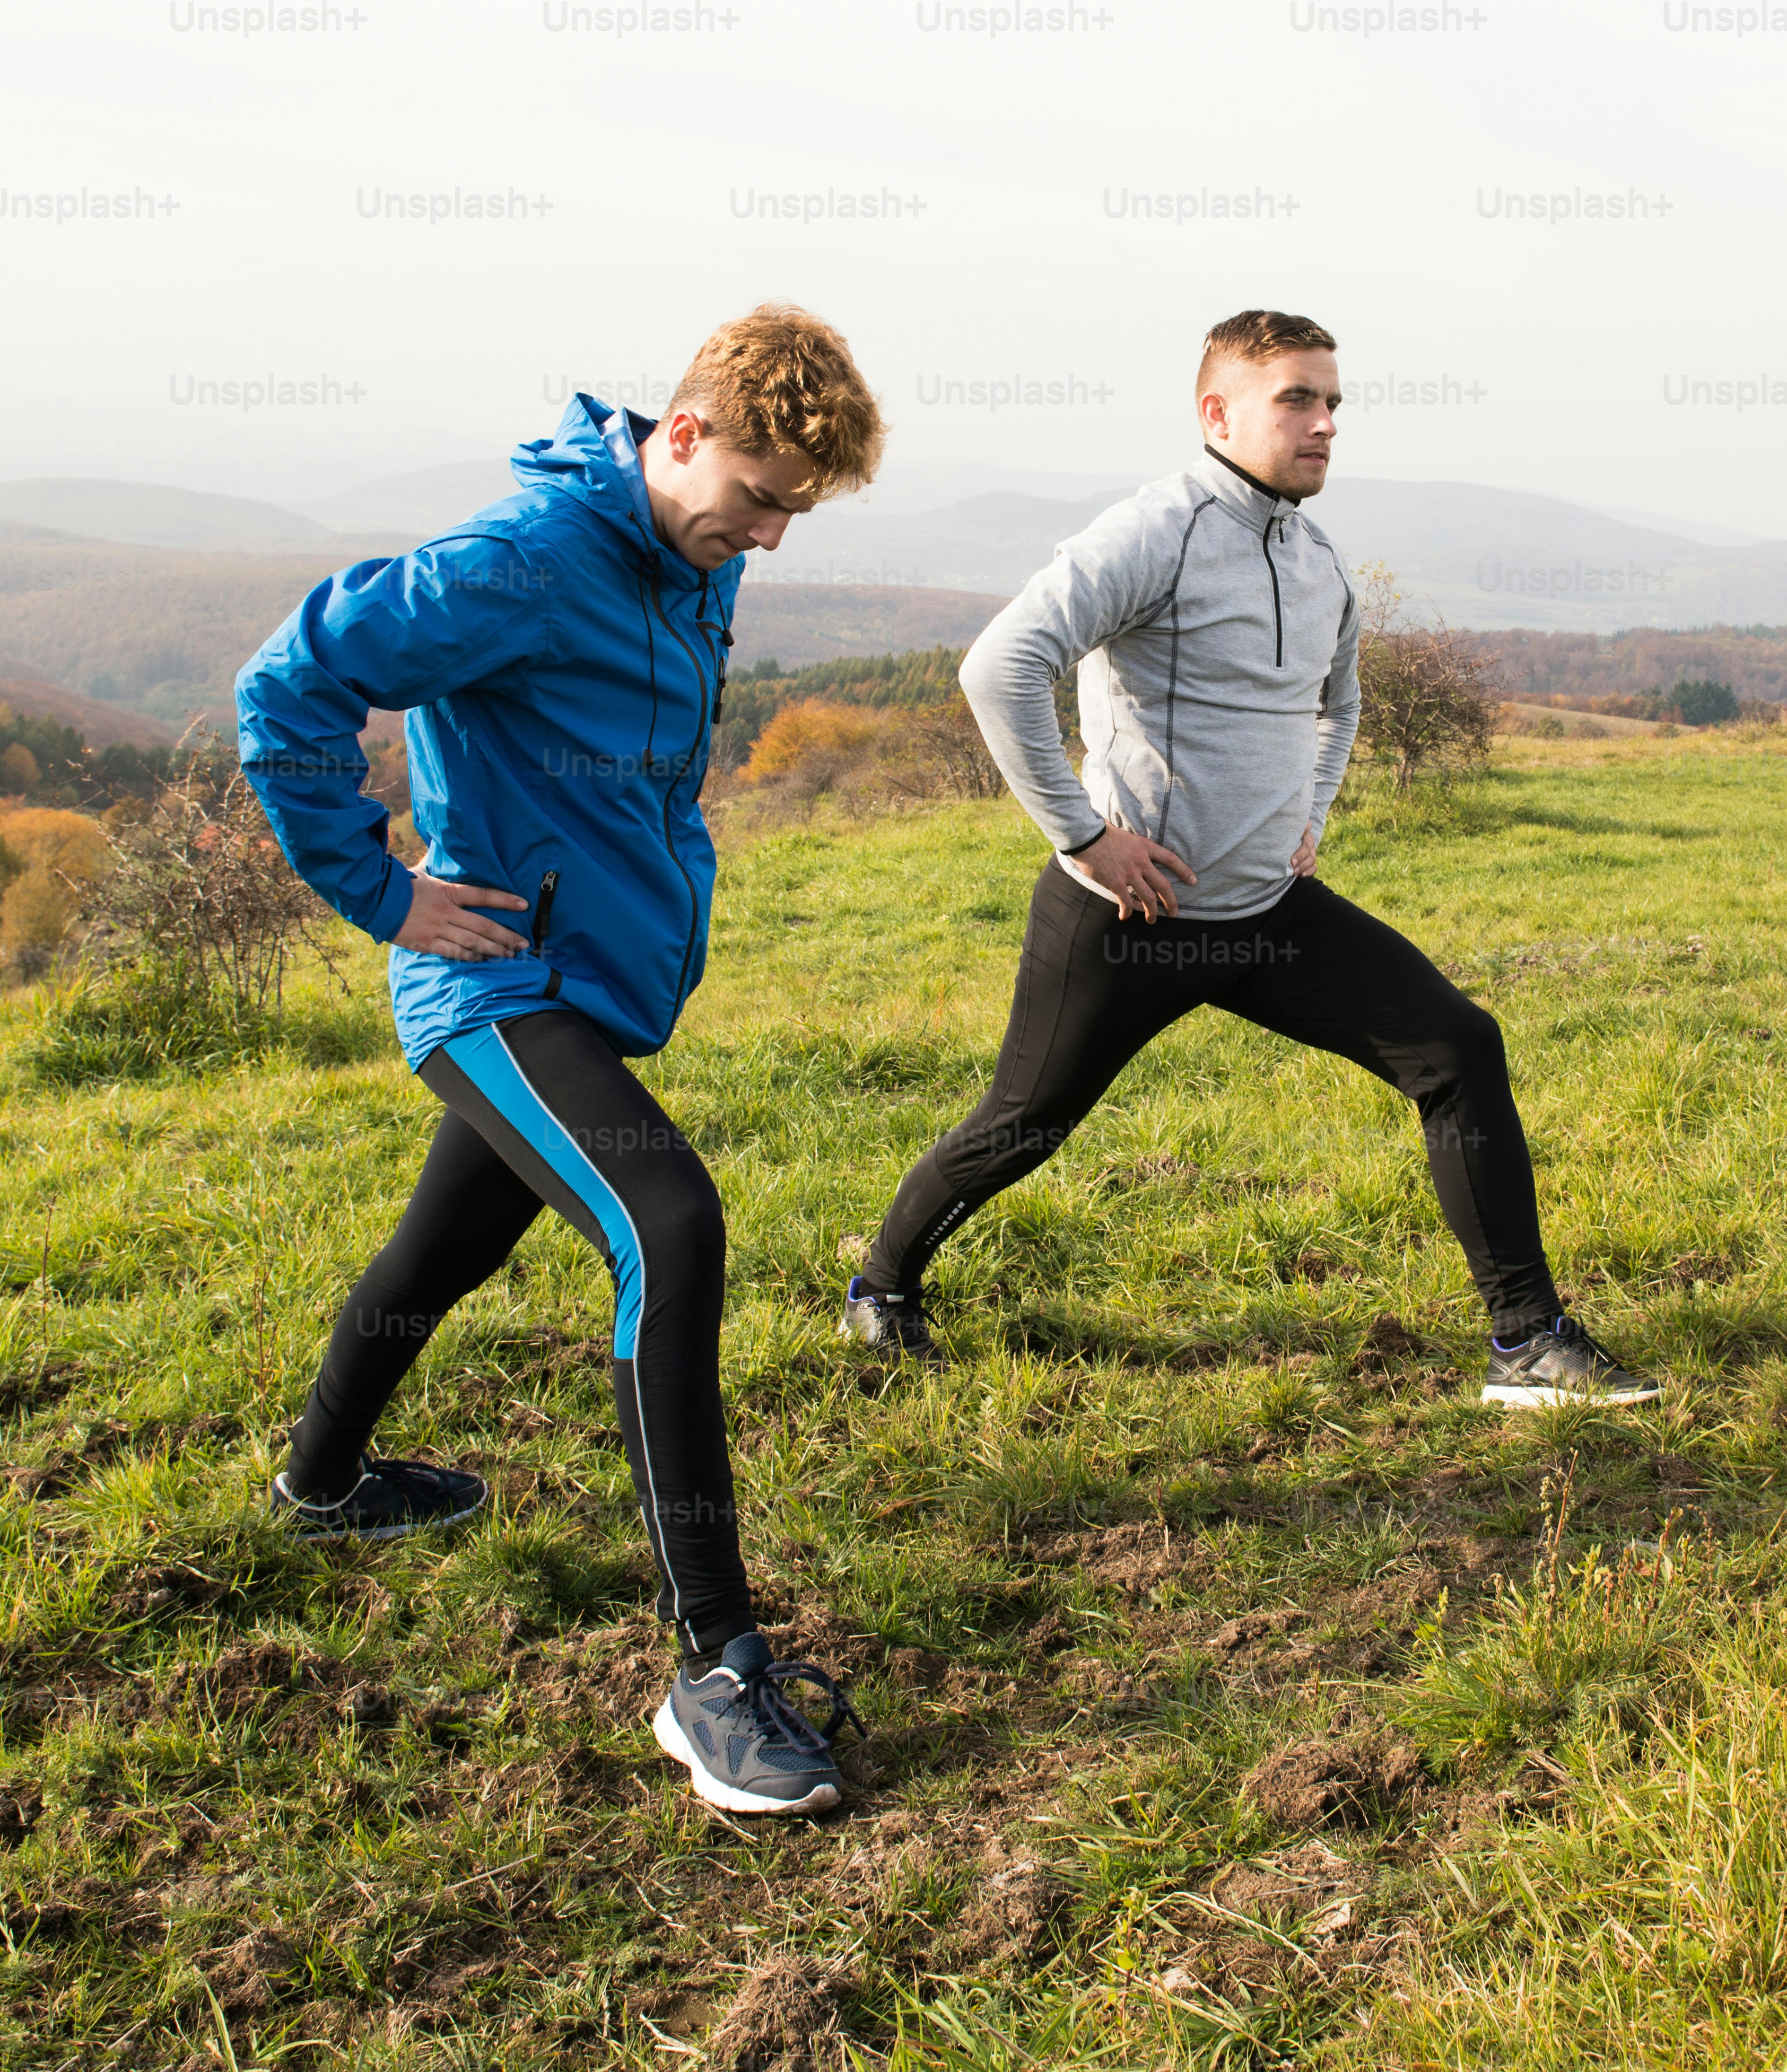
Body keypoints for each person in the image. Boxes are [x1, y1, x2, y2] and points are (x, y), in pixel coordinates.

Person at [237, 302, 877, 1816]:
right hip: (492, 985)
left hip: (582, 980)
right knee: (671, 1223)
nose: (773, 538)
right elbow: (292, 683)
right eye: (760, 500)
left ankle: (322, 1483)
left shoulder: (683, 555)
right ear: (680, 435)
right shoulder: (525, 560)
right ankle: (715, 1664)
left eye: (797, 511)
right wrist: (384, 891)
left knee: (442, 1245)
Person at [842, 308, 1660, 1409]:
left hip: (1273, 914)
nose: (1323, 423)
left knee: (1459, 1045)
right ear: (1215, 411)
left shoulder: (1314, 553)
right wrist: (1083, 833)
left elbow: (1340, 700)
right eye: (1296, 400)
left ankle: (1526, 1341)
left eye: (1331, 401)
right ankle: (882, 1287)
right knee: (1022, 1122)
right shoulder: (1155, 531)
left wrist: (1309, 810)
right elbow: (999, 665)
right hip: (1129, 919)